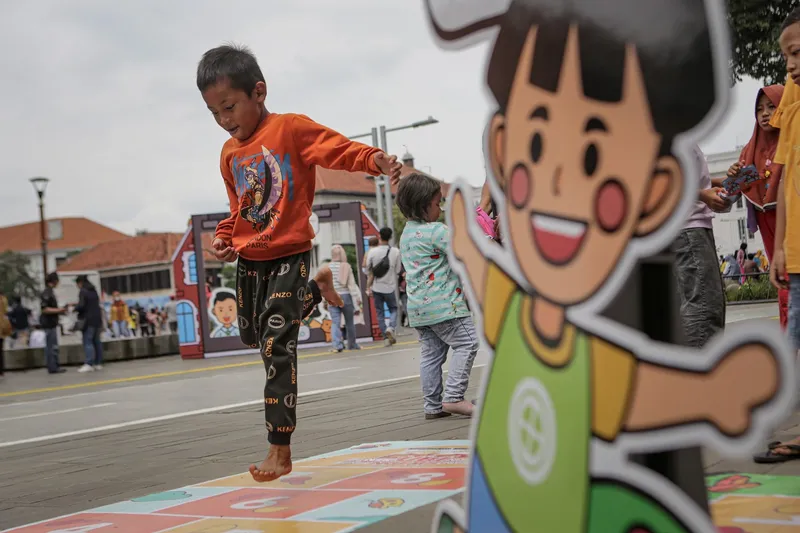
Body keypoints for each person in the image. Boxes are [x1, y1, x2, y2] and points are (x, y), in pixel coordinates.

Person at [196, 43, 402, 483]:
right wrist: (224, 238)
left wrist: (374, 160)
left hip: (289, 251)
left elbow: (336, 149)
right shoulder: (229, 155)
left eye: (229, 107)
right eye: (214, 113)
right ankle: (319, 285)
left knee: (276, 347)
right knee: (256, 336)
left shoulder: (290, 129)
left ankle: (280, 448)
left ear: (259, 92)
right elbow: (238, 208)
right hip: (250, 263)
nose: (224, 120)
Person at [753, 6, 800, 463]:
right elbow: (783, 185)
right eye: (786, 55)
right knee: (792, 342)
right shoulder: (793, 112)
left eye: (799, 52)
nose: (790, 63)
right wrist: (781, 249)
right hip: (794, 254)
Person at [397, 173, 478, 420]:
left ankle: (433, 405)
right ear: (424, 205)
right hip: (446, 306)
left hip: (419, 309)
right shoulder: (436, 231)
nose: (440, 209)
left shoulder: (407, 234)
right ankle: (454, 397)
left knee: (431, 355)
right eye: (436, 203)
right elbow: (465, 250)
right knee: (468, 342)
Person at [727, 84, 789, 325]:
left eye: (771, 106)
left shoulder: (793, 142)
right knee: (783, 283)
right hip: (768, 225)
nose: (764, 114)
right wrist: (733, 177)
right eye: (759, 109)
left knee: (789, 283)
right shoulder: (750, 152)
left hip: (791, 222)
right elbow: (728, 194)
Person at [672, 145, 727, 348]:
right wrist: (704, 196)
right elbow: (666, 179)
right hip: (688, 228)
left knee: (703, 304)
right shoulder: (672, 128)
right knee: (704, 307)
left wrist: (712, 183)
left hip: (690, 228)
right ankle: (699, 372)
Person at [366, 227, 402, 346]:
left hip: (376, 287)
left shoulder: (372, 252)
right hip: (390, 287)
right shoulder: (396, 251)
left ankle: (385, 337)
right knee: (394, 309)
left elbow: (368, 271)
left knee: (380, 312)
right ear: (390, 237)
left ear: (379, 236)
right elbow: (397, 270)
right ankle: (391, 327)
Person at [327, 245, 363, 352]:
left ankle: (337, 345)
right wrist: (356, 299)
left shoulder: (327, 267)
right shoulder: (346, 266)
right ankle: (352, 344)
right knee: (349, 322)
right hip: (346, 296)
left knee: (335, 322)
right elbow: (351, 285)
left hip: (333, 297)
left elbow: (326, 285)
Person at [74, 274, 104, 373]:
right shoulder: (94, 291)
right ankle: (98, 363)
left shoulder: (83, 291)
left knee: (88, 341)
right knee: (97, 342)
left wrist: (74, 308)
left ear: (80, 283)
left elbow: (81, 306)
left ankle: (89, 363)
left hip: (88, 320)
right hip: (97, 320)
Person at [40, 272, 67, 374]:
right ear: (54, 281)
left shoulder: (50, 292)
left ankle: (54, 365)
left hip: (51, 322)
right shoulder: (47, 293)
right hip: (49, 323)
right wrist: (59, 310)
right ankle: (53, 367)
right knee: (51, 346)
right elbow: (45, 309)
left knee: (52, 345)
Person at [0, 289, 10, 378]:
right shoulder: (3, 299)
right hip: (2, 327)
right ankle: (1, 371)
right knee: (1, 350)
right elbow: (6, 311)